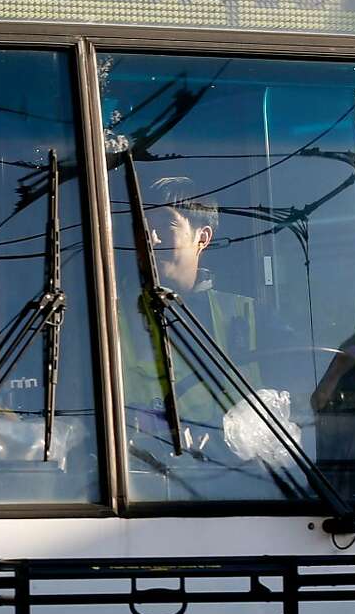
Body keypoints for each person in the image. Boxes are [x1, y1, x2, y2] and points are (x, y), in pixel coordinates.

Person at [126, 180, 303, 458]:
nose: (151, 237)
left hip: (239, 484)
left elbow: (305, 383)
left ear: (203, 238)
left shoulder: (250, 315)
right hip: (138, 475)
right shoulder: (108, 317)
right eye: (143, 227)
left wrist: (344, 366)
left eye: (165, 225)